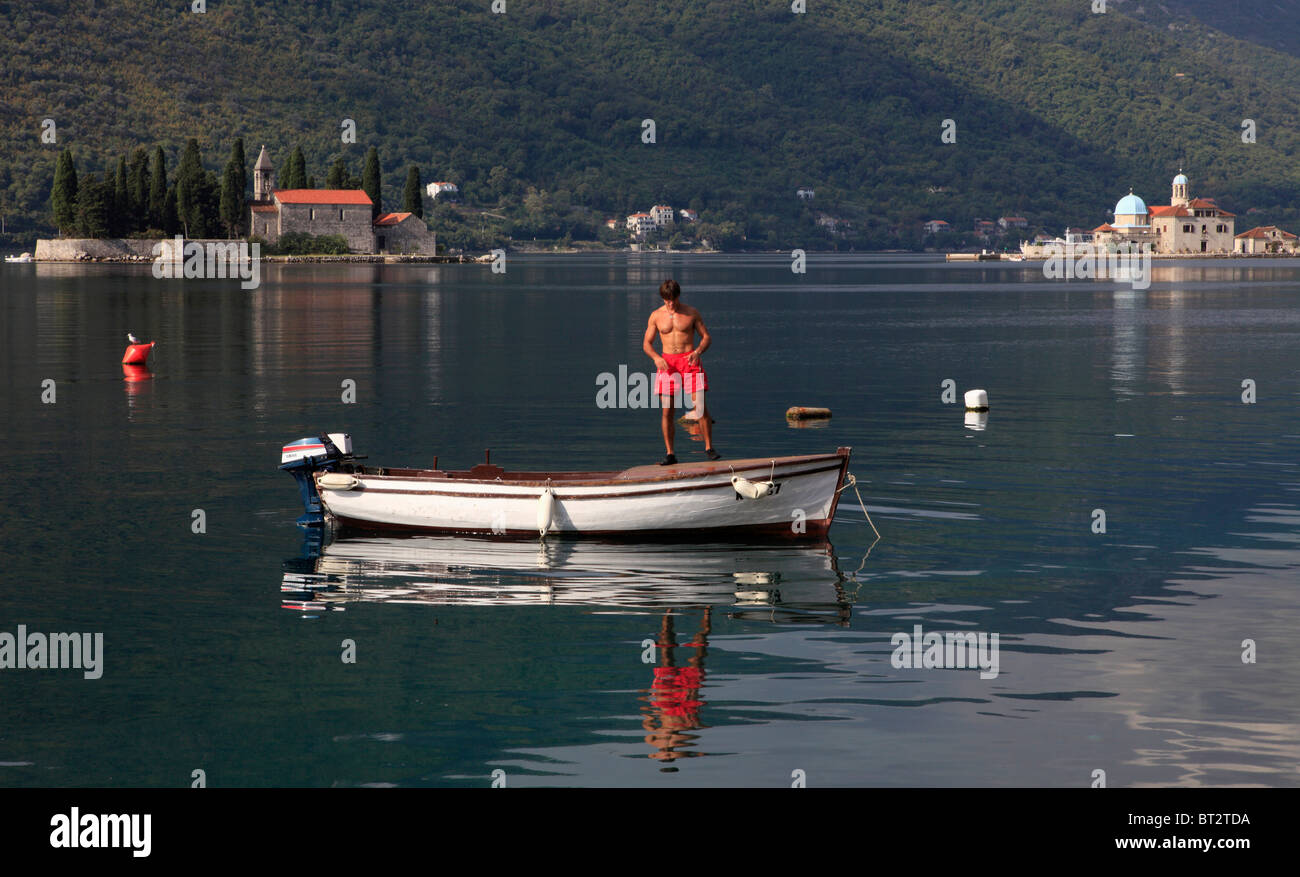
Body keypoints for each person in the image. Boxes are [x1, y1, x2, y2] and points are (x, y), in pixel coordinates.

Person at [643, 278, 719, 464]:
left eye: (673, 299)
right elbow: (647, 343)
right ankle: (670, 454)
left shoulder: (691, 313)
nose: (670, 304)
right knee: (667, 411)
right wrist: (656, 358)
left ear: (678, 296)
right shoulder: (656, 316)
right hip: (667, 364)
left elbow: (706, 337)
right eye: (667, 300)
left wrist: (698, 352)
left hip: (690, 362)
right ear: (663, 298)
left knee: (700, 407)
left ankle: (709, 448)